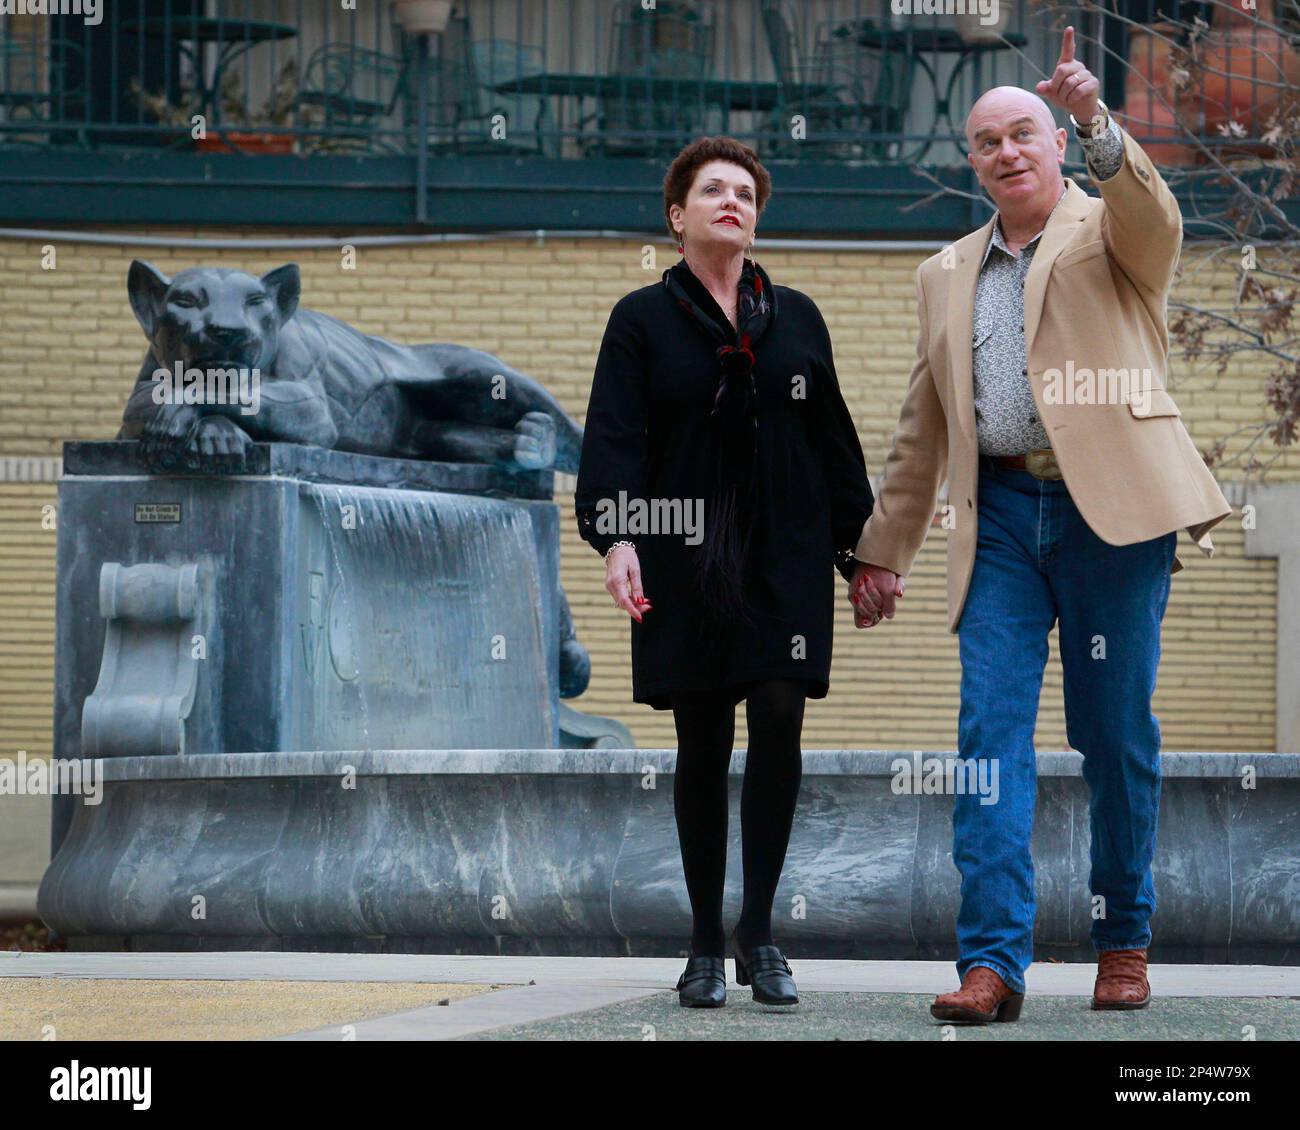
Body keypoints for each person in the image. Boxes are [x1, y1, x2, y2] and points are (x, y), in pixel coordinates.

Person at [850, 28, 1231, 1023]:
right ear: (970, 162)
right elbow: (921, 420)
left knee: (1113, 736)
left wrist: (1100, 121)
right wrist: (879, 554)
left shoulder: (1112, 231)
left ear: (1053, 144)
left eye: (1025, 132)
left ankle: (1121, 942)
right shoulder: (943, 273)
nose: (1008, 151)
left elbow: (1157, 218)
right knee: (986, 734)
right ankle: (990, 963)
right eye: (987, 141)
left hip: (1115, 515)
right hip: (1004, 521)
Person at [575, 136, 875, 1008]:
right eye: (712, 190)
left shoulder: (798, 316)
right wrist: (619, 539)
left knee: (779, 712)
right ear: (678, 217)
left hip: (784, 549)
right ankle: (706, 941)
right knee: (702, 737)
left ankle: (762, 933)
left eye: (744, 192)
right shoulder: (640, 319)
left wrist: (862, 556)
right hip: (682, 546)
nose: (731, 201)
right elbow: (615, 440)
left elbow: (834, 445)